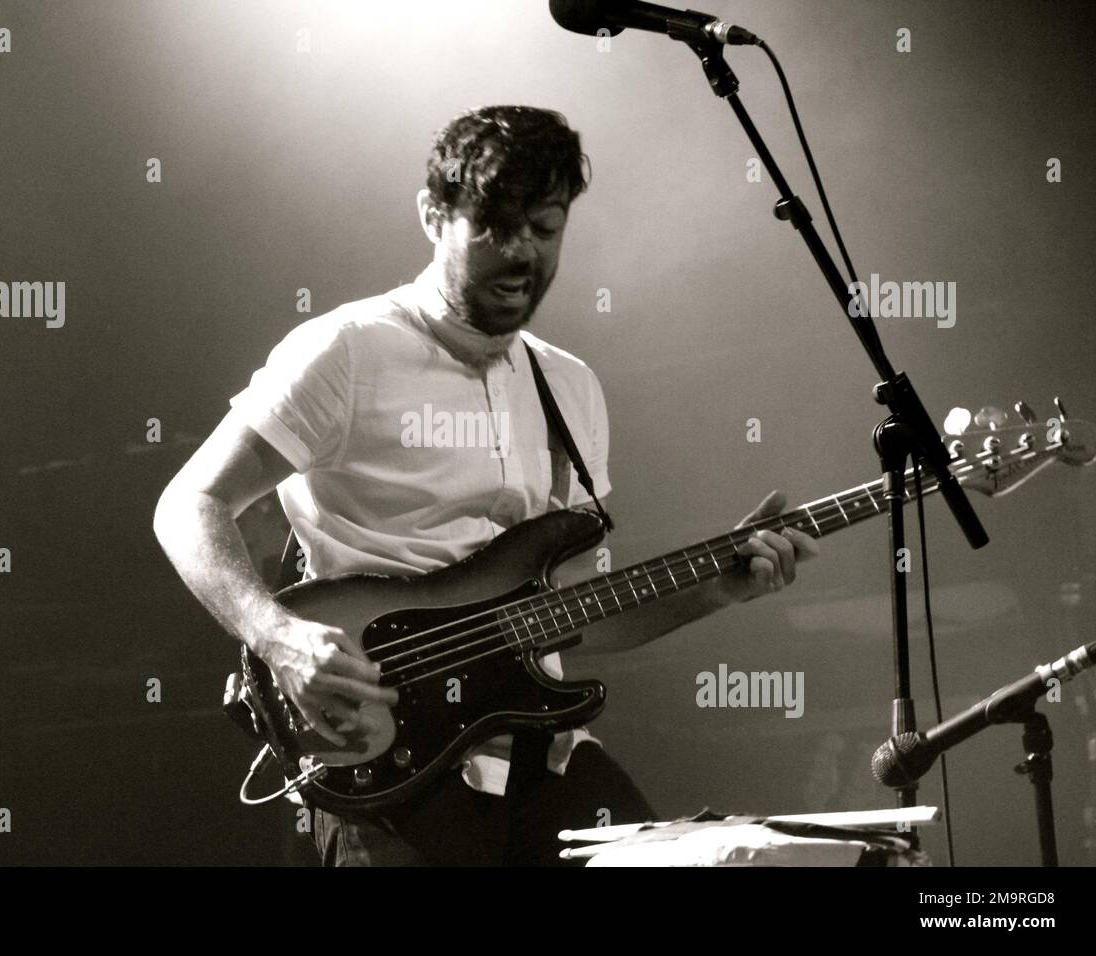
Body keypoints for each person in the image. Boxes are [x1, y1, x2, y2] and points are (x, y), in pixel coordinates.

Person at [153, 105, 818, 866]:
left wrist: (717, 588)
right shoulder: (346, 350)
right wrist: (277, 638)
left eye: (544, 227)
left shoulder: (570, 388)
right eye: (495, 227)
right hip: (390, 768)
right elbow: (190, 503)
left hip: (547, 758)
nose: (521, 254)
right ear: (433, 214)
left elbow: (561, 620)